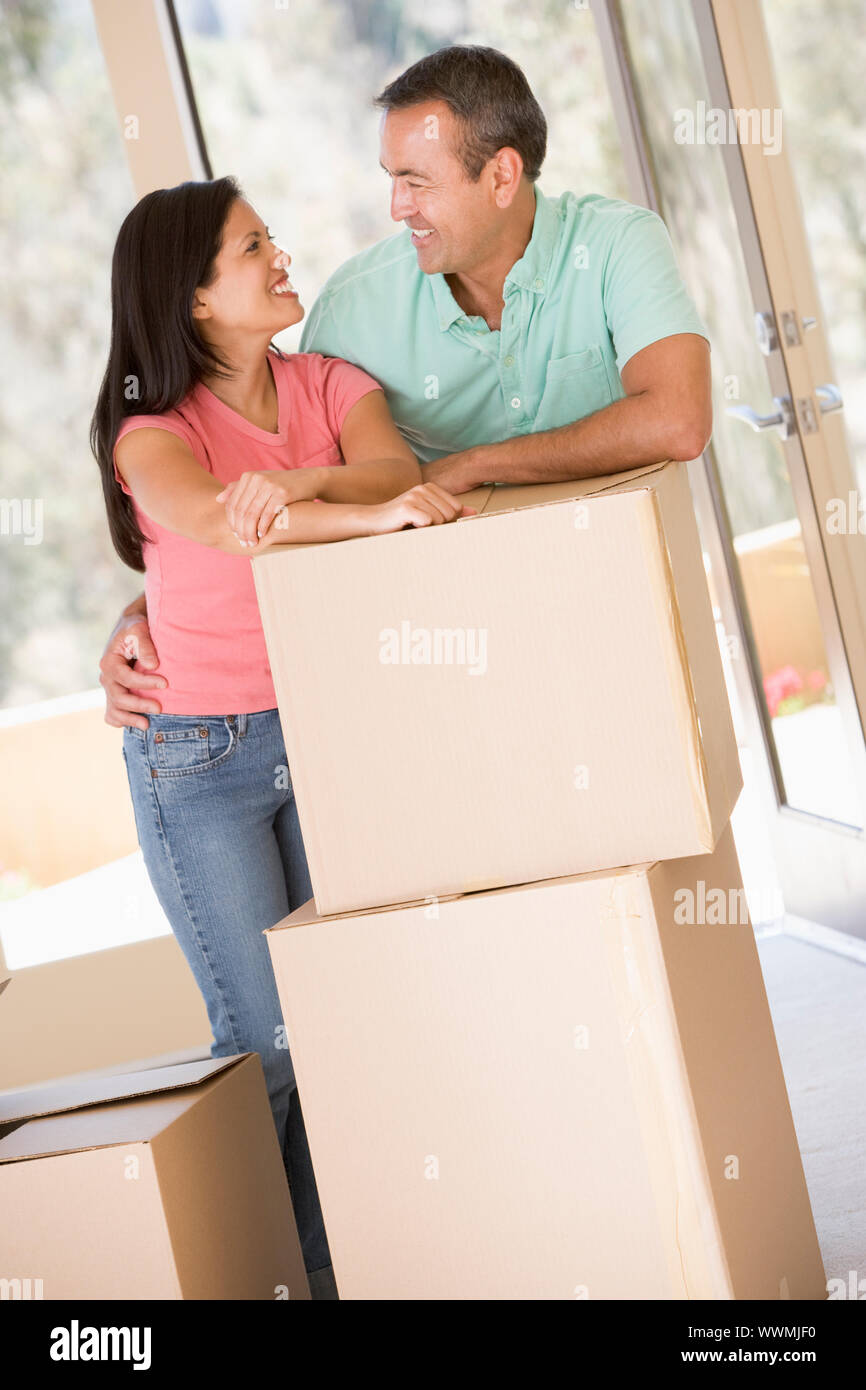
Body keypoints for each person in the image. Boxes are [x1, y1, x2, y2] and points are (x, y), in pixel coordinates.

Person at [90, 174, 469, 1299]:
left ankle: (359, 1266)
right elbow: (214, 520)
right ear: (195, 299)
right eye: (251, 247)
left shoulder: (327, 382)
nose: (278, 255)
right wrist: (367, 514)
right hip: (199, 761)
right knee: (264, 1046)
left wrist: (315, 481)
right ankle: (285, 1278)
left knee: (343, 1023)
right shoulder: (147, 433)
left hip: (319, 735)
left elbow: (393, 464)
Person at [100, 44, 712, 726]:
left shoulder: (617, 245)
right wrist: (149, 610)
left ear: (502, 175)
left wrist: (470, 467)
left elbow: (678, 422)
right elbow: (289, 497)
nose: (396, 206)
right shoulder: (354, 309)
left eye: (417, 181)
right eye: (391, 178)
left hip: (623, 604)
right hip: (451, 662)